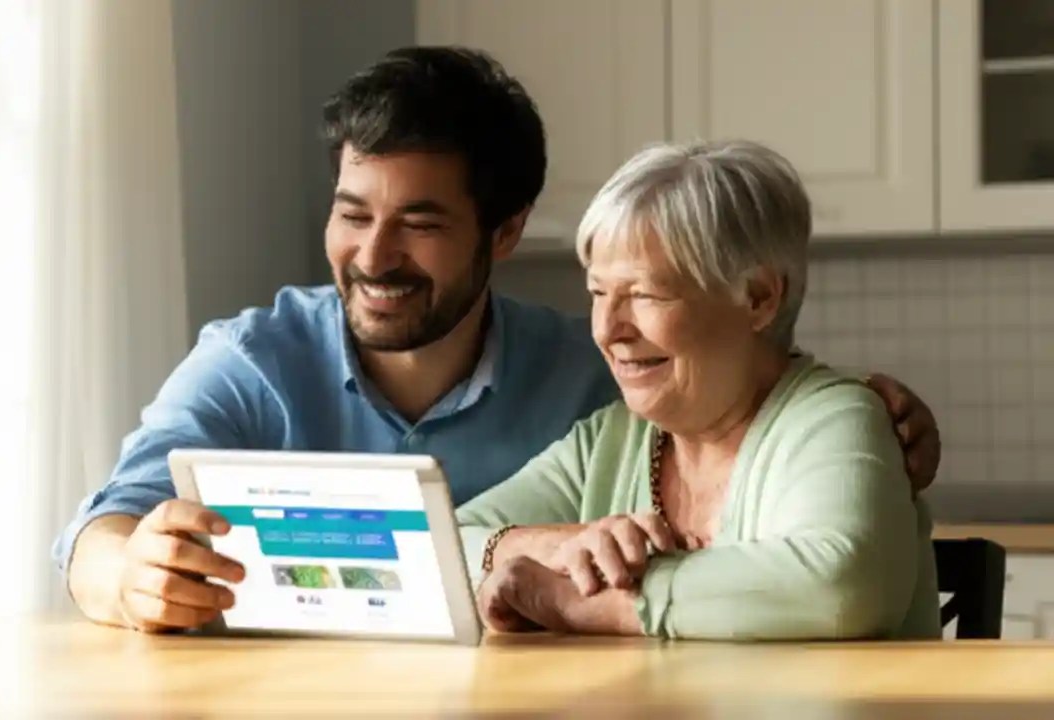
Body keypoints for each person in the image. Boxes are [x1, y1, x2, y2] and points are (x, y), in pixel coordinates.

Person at [54, 46, 941, 634]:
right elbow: (102, 527)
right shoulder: (251, 361)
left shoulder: (595, 381)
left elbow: (765, 420)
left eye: (420, 224)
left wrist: (863, 417)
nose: (374, 255)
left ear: (505, 230)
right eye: (352, 214)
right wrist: (128, 578)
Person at [461, 140, 942, 641]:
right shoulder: (608, 444)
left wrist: (585, 603)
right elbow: (426, 550)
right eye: (599, 293)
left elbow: (841, 586)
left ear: (759, 298)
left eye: (645, 294)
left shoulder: (837, 419)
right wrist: (554, 546)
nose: (607, 329)